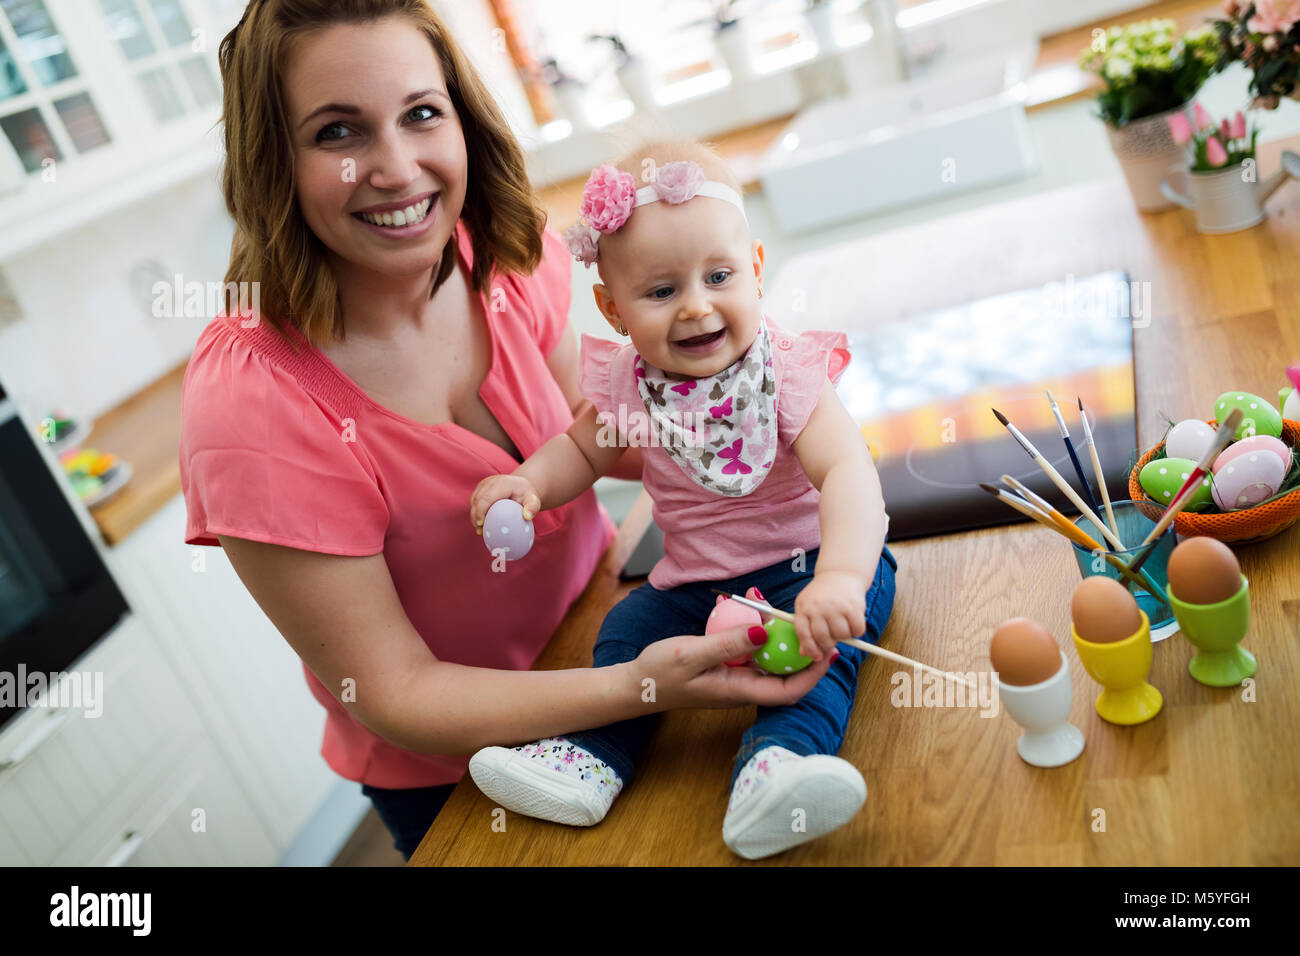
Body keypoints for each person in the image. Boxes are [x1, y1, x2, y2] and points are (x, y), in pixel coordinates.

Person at [179, 0, 837, 863]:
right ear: (275, 161)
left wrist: (775, 415)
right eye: (339, 133)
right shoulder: (253, 398)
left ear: (460, 116)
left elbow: (616, 440)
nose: (396, 167)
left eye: (421, 113)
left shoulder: (503, 256)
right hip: (467, 774)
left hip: (616, 640)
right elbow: (393, 691)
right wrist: (637, 685)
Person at [467, 141, 896, 859]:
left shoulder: (787, 373)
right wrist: (531, 484)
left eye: (718, 276)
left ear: (755, 270)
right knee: (627, 632)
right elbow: (582, 448)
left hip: (808, 567)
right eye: (662, 292)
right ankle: (589, 758)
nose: (696, 307)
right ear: (612, 309)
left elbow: (849, 473)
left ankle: (778, 766)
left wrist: (842, 578)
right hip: (692, 584)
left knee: (817, 652)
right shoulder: (631, 385)